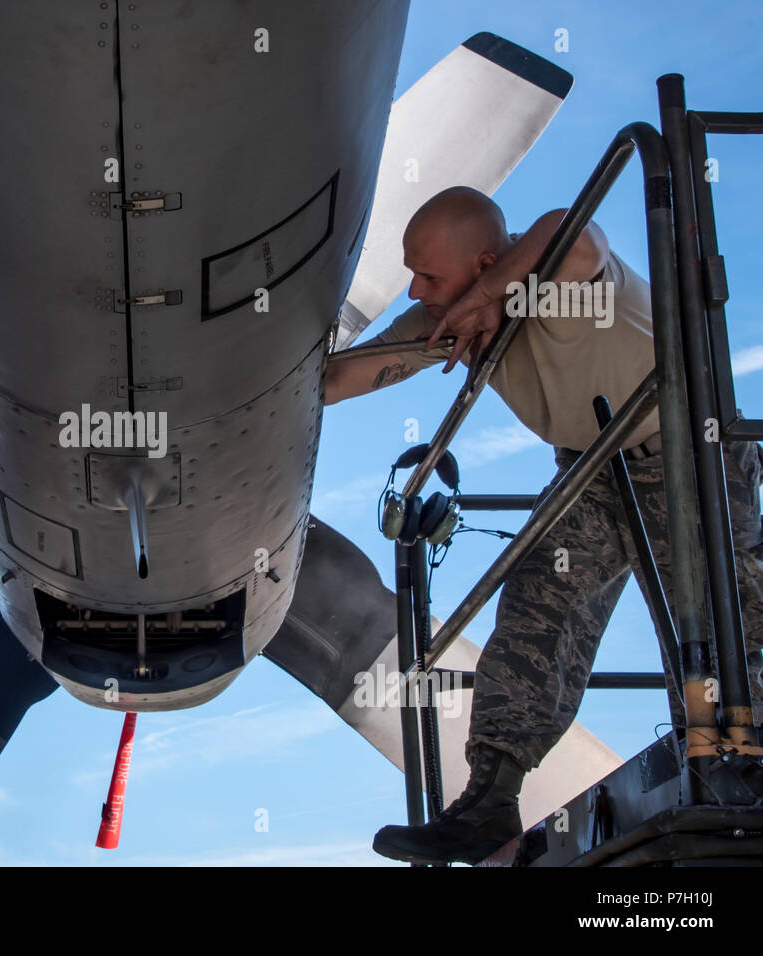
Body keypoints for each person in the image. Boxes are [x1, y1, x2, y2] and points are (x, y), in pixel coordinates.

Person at [322, 186, 763, 865]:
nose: (415, 289)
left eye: (430, 275)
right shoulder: (454, 320)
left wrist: (493, 294)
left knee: (713, 630)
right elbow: (338, 380)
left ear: (489, 262)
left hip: (681, 452)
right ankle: (490, 802)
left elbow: (574, 232)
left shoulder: (555, 282)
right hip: (591, 473)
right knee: (536, 609)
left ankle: (740, 771)